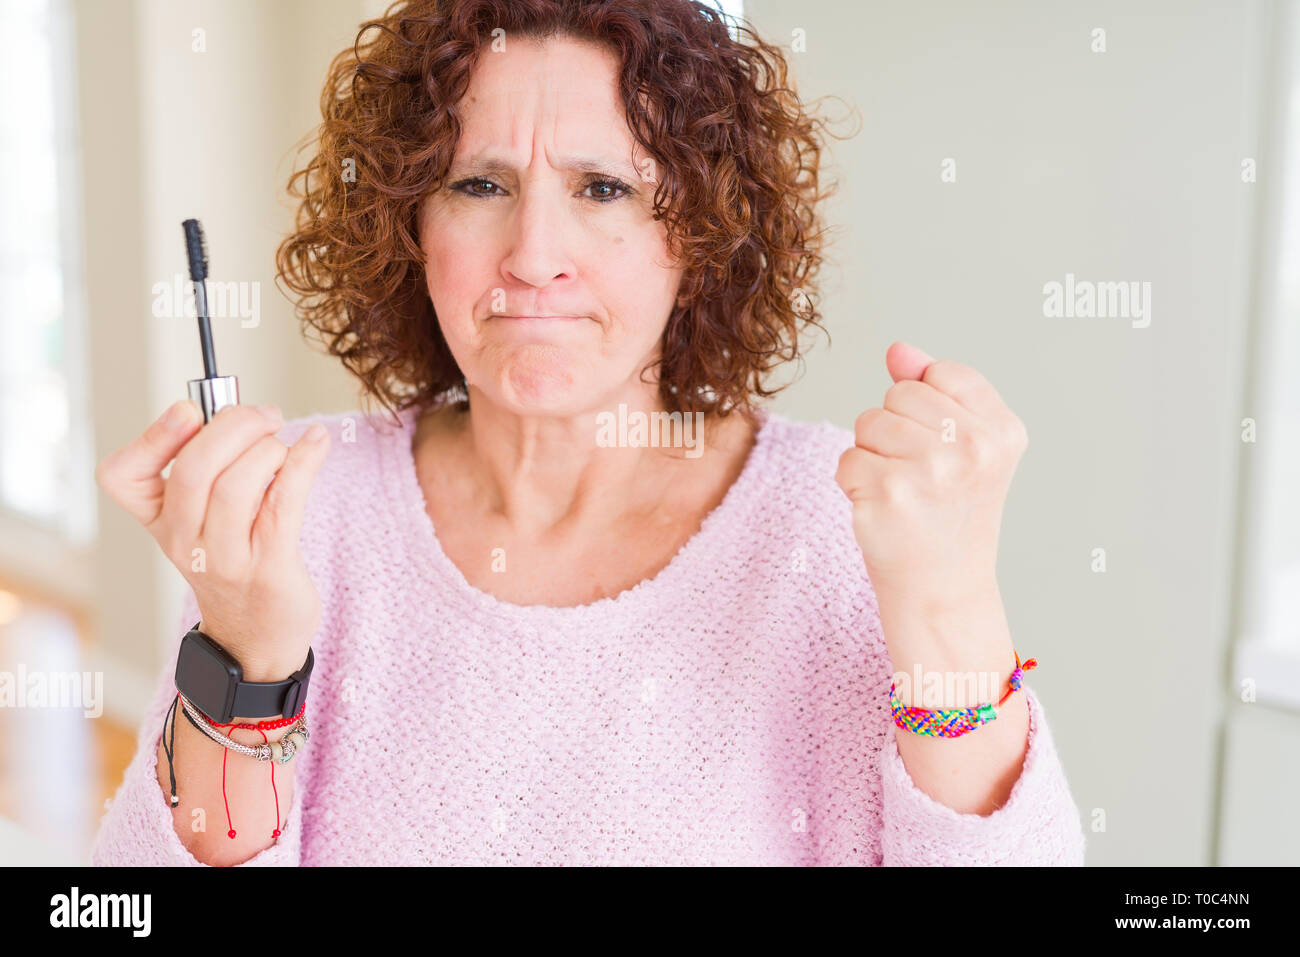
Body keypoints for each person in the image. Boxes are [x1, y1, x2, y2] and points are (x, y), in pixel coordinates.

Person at [91, 0, 1085, 866]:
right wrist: (245, 657)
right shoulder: (299, 510)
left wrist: (950, 605)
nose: (533, 256)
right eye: (479, 185)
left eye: (603, 188)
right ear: (409, 225)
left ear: (699, 234)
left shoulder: (837, 523)